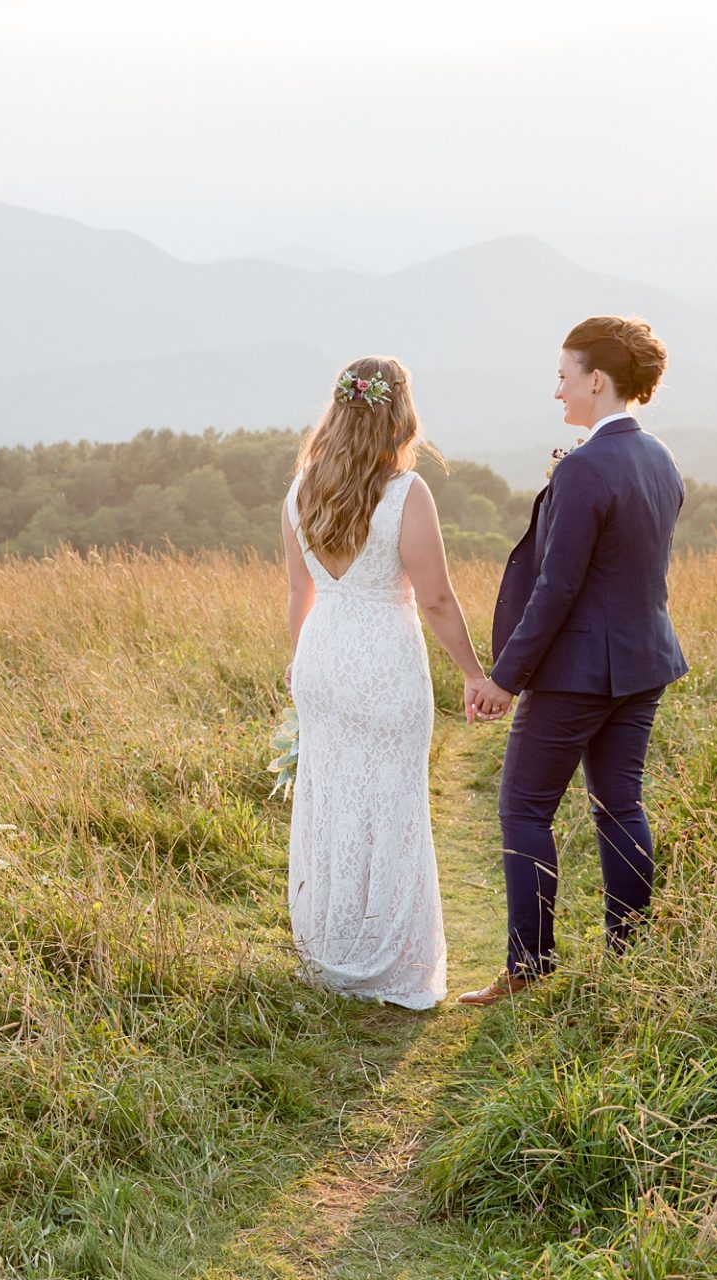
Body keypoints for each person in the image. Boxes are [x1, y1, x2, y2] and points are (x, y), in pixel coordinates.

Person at [459, 316, 689, 1006]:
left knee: (524, 808)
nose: (557, 390)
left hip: (578, 673)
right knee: (620, 806)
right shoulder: (659, 457)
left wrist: (505, 679)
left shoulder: (589, 466)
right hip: (644, 661)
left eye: (563, 377)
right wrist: (566, 484)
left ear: (596, 379)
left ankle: (529, 967)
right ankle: (631, 955)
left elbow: (558, 588)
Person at [281, 355, 508, 1010]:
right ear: (399, 412)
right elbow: (435, 598)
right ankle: (387, 968)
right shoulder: (406, 492)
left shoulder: (300, 491)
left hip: (322, 659)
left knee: (332, 806)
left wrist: (305, 666)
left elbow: (301, 593)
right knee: (390, 806)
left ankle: (332, 952)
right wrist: (472, 672)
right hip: (383, 661)